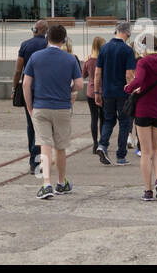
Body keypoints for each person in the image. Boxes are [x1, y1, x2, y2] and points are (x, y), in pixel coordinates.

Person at [22, 23, 83, 199]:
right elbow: (79, 84)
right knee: (61, 147)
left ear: (47, 38)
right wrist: (68, 90)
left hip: (40, 106)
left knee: (45, 146)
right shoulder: (70, 59)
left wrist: (30, 106)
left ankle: (46, 183)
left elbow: (26, 84)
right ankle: (61, 182)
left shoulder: (35, 57)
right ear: (64, 40)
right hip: (62, 107)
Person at [125, 33, 157, 201]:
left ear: (144, 48)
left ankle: (148, 190)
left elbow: (138, 81)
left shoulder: (143, 62)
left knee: (145, 152)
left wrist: (128, 88)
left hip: (143, 109)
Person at [93, 21, 138, 165]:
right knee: (124, 123)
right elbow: (129, 74)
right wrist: (133, 90)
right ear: (127, 33)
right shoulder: (127, 50)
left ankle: (102, 145)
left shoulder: (104, 49)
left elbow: (97, 73)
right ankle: (121, 156)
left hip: (107, 92)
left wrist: (97, 92)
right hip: (123, 93)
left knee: (109, 120)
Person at [14, 19, 49, 175]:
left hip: (30, 89)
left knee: (32, 126)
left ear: (35, 30)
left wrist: (15, 87)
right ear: (46, 31)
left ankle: (33, 161)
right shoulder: (49, 45)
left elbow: (18, 69)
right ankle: (44, 159)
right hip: (47, 90)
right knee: (46, 126)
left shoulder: (25, 45)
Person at [82, 36, 105, 148]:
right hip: (104, 91)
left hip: (91, 91)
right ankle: (102, 141)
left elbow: (83, 75)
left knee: (94, 117)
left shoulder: (89, 60)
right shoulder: (105, 59)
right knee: (104, 118)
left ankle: (95, 143)